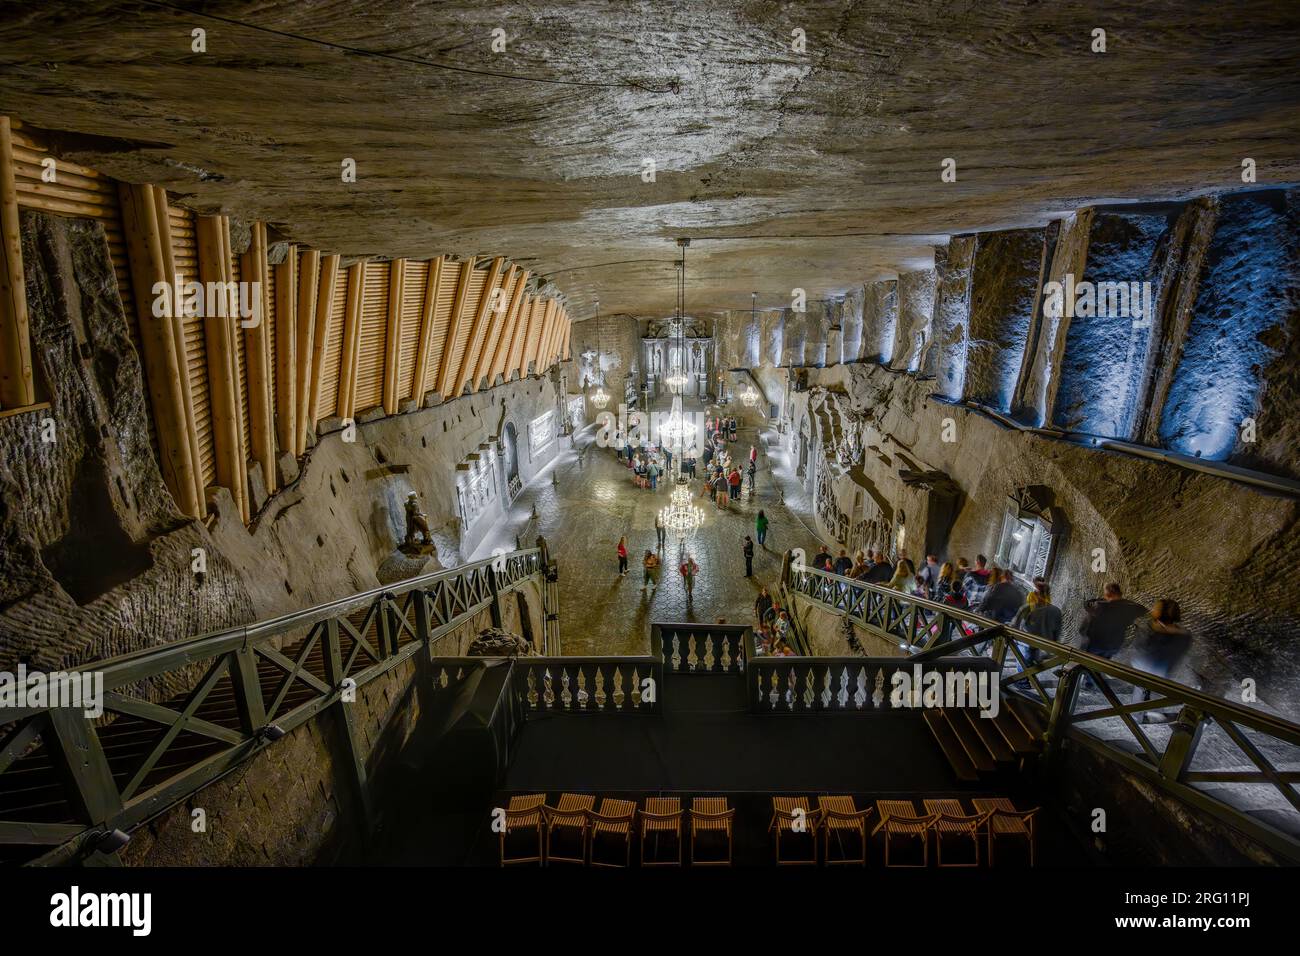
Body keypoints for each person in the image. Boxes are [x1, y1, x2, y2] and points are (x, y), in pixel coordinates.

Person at [1129, 599, 1193, 720]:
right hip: (1164, 672)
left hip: (1144, 670)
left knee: (1139, 693)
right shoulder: (1185, 635)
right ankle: (1154, 716)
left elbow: (1138, 647)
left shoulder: (1149, 630)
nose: (1152, 610)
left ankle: (1135, 719)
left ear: (1161, 613)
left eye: (1155, 608)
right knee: (1156, 695)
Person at [1078, 583, 1146, 660]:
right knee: (1103, 663)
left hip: (1093, 646)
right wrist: (1123, 602)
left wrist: (1099, 600)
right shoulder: (1129, 608)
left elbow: (1086, 605)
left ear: (1108, 595)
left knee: (1085, 661)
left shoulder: (1100, 606)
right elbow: (1142, 609)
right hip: (1113, 647)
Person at [1011, 577, 1062, 672]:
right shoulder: (1056, 611)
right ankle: (1029, 677)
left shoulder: (1027, 608)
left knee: (1023, 663)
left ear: (1036, 593)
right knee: (1031, 661)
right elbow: (1057, 631)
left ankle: (1022, 682)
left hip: (1027, 642)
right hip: (1043, 643)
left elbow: (1014, 625)